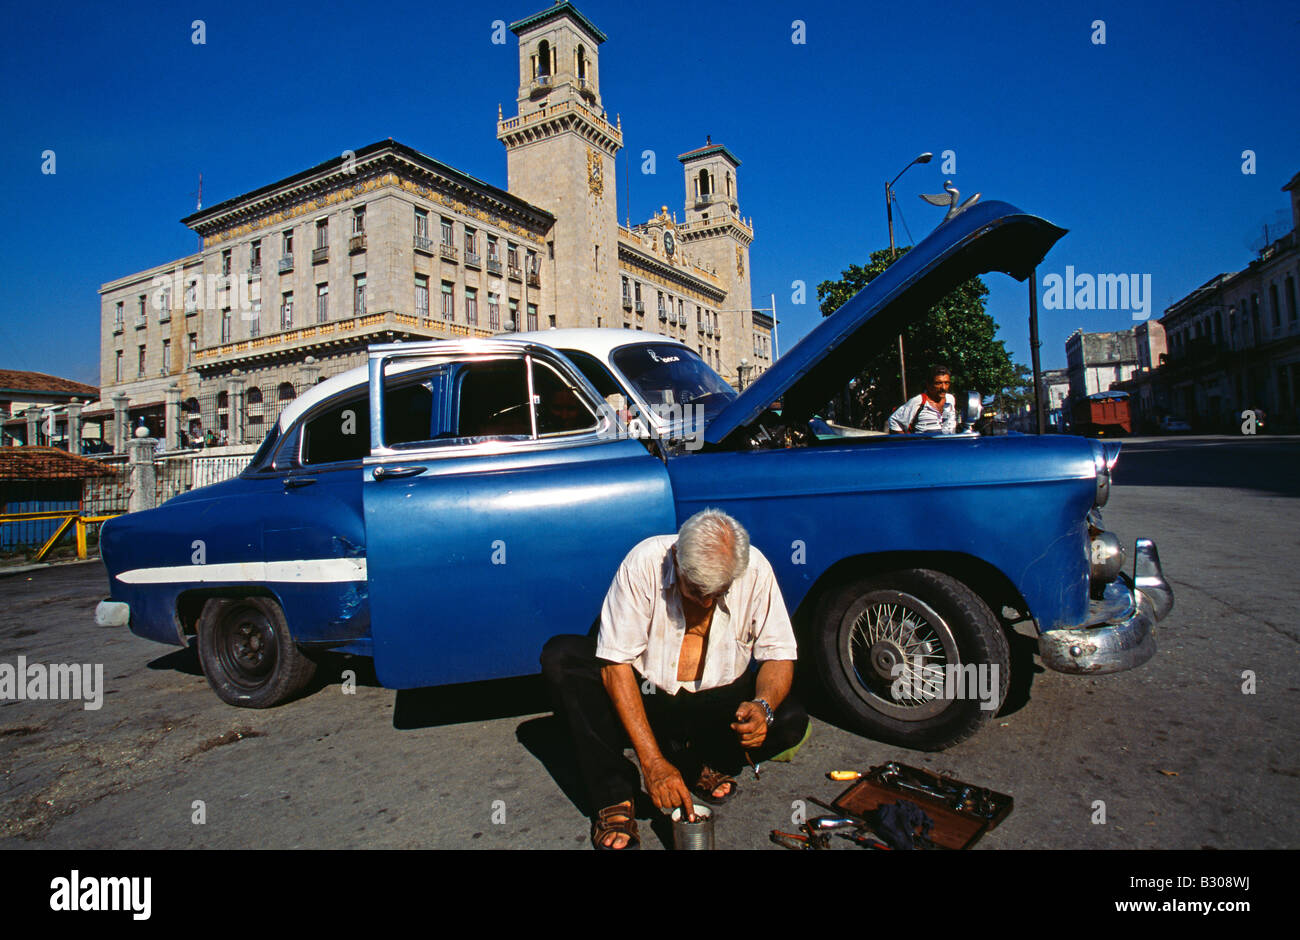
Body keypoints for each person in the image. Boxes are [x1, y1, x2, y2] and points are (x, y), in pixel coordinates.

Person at [540, 509, 810, 850]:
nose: (708, 602)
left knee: (788, 718)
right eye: (697, 592)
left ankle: (696, 763)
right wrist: (651, 764)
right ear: (678, 561)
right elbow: (615, 664)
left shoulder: (754, 570)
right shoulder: (645, 563)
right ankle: (616, 797)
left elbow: (779, 654)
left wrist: (762, 706)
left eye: (719, 592)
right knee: (562, 658)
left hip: (713, 703)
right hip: (647, 695)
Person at [888, 364, 957, 433]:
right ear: (928, 384)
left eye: (947, 383)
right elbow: (894, 421)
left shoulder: (950, 399)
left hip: (948, 442)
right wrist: (907, 442)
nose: (943, 388)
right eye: (938, 383)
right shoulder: (918, 401)